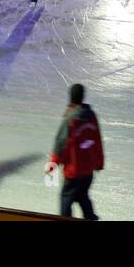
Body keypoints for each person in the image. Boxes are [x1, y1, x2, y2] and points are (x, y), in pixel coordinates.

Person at [46, 83, 104, 220]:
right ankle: (90, 217)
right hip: (88, 170)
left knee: (66, 200)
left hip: (74, 171)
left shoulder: (70, 119)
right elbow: (97, 140)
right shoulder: (91, 116)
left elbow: (60, 144)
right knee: (82, 195)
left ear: (70, 97)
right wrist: (99, 162)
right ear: (83, 97)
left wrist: (52, 166)